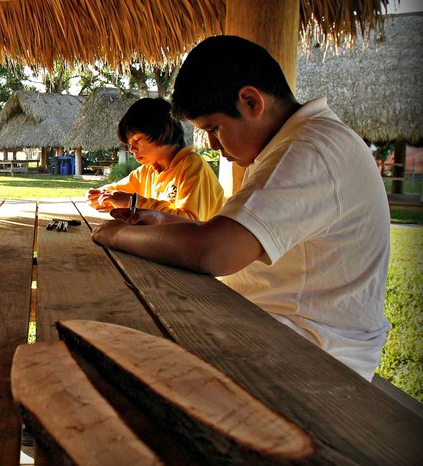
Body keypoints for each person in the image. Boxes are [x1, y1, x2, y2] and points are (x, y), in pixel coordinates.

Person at [91, 35, 391, 381]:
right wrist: (162, 220)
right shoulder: (293, 143)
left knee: (121, 348)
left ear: (250, 101)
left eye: (214, 129)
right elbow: (224, 232)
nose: (215, 146)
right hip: (272, 325)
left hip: (311, 352)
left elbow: (214, 251)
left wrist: (118, 235)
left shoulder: (310, 149)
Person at [86, 98, 224, 221]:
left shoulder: (192, 166)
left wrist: (133, 202)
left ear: (164, 132)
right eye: (130, 144)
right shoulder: (149, 171)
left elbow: (189, 222)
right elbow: (116, 191)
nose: (132, 149)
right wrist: (100, 196)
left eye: (137, 140)